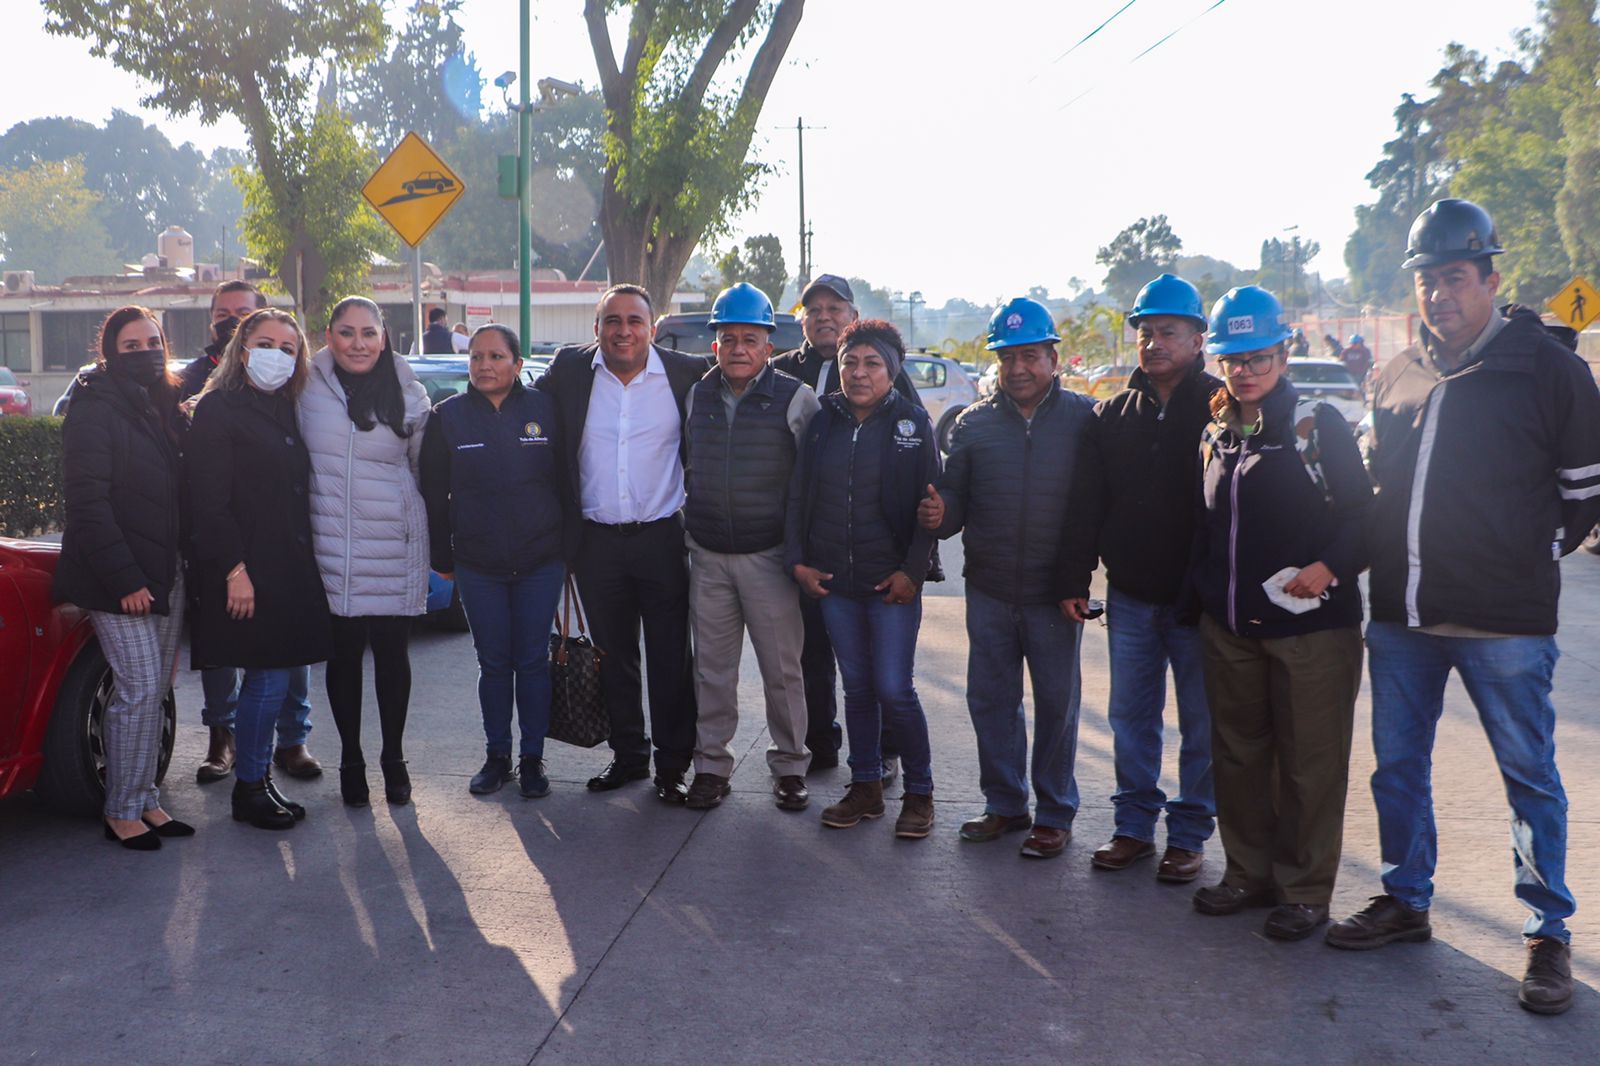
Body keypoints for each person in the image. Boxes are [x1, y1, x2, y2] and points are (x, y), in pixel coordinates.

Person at [1327, 199, 1600, 1016]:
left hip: (1505, 624)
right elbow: (1379, 490)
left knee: (1529, 777)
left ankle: (1547, 933)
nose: (1439, 293)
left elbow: (1584, 499)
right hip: (1404, 618)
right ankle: (1406, 899)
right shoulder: (1399, 373)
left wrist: (1521, 560)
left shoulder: (1550, 370)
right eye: (1426, 279)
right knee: (1398, 770)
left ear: (1491, 277)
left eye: (1454, 276)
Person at [1185, 285, 1371, 941]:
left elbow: (1361, 517)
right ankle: (1248, 873)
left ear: (1284, 352)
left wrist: (1329, 567)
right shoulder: (1217, 431)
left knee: (1308, 765)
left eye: (1258, 356)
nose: (1245, 370)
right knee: (1237, 757)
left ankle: (1304, 890)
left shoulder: (1315, 425)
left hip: (1312, 632)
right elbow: (1207, 528)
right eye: (1234, 358)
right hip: (1232, 629)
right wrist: (1205, 597)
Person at [920, 296, 1093, 859]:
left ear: (1052, 357)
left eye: (1029, 356)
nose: (1017, 368)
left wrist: (1083, 578)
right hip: (989, 589)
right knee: (991, 701)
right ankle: (1005, 804)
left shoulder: (1085, 420)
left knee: (1057, 704)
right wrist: (941, 512)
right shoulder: (973, 424)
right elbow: (957, 499)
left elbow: (1100, 506)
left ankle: (1055, 812)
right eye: (1007, 358)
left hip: (1054, 595)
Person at [1060, 274, 1220, 880]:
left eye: (1168, 332)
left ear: (1199, 338)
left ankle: (1188, 832)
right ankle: (1133, 828)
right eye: (1146, 332)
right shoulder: (1112, 416)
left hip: (1197, 602)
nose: (1153, 343)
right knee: (1131, 716)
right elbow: (1086, 503)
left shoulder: (1221, 409)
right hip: (1130, 597)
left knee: (1201, 723)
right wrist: (1076, 576)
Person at [537, 284, 707, 803]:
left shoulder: (687, 374)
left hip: (662, 537)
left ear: (653, 328)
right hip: (595, 543)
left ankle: (673, 765)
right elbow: (515, 405)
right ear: (597, 330)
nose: (624, 330)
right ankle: (629, 755)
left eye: (635, 320)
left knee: (670, 659)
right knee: (613, 657)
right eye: (613, 321)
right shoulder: (569, 371)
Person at [788, 319, 940, 839]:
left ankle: (919, 793)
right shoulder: (823, 421)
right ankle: (866, 787)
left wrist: (912, 573)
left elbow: (930, 510)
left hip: (890, 586)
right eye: (851, 361)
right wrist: (799, 562)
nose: (859, 372)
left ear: (892, 371)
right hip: (835, 584)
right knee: (857, 689)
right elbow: (798, 495)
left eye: (872, 363)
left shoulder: (913, 423)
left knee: (894, 688)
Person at [188, 308, 333, 830]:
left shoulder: (288, 408)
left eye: (289, 348)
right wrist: (233, 569)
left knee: (273, 680)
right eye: (265, 342)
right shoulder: (219, 409)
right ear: (241, 348)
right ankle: (249, 787)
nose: (277, 354)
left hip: (287, 567)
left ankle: (258, 779)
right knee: (267, 681)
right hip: (246, 571)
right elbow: (208, 501)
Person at [53, 306, 193, 849]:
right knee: (136, 689)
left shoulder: (161, 406)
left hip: (166, 570)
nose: (144, 352)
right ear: (109, 352)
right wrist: (125, 580)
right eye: (130, 344)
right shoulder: (94, 408)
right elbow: (88, 505)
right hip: (120, 580)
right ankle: (121, 812)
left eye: (152, 341)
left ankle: (146, 800)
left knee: (156, 688)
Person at [771, 273, 920, 776]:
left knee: (881, 673)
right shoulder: (782, 371)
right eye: (815, 310)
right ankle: (823, 744)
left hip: (876, 550)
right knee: (812, 653)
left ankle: (889, 753)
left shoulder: (880, 369)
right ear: (802, 320)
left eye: (836, 308)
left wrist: (917, 558)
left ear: (852, 317)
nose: (825, 317)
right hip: (813, 541)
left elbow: (918, 457)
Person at [681, 284, 821, 813]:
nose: (738, 347)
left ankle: (790, 768)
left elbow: (812, 483)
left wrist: (800, 552)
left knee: (782, 672)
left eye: (750, 338)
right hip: (710, 557)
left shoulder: (795, 397)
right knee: (712, 671)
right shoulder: (697, 395)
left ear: (768, 345)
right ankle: (712, 767)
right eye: (728, 338)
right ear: (714, 344)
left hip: (770, 559)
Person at [420, 323, 569, 799]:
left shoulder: (547, 411)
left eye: (496, 357)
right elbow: (432, 494)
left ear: (518, 364)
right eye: (477, 357)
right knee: (494, 662)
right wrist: (443, 557)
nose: (485, 365)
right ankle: (497, 755)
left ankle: (532, 759)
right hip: (478, 564)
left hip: (541, 561)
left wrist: (570, 551)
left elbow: (567, 484)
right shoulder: (447, 417)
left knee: (532, 661)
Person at [300, 297, 430, 807]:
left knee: (394, 658)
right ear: (329, 335)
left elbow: (421, 468)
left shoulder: (407, 391)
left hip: (393, 544)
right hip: (333, 547)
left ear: (384, 337)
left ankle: (392, 758)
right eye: (347, 332)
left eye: (369, 333)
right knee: (344, 658)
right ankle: (350, 760)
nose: (359, 343)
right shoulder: (305, 387)